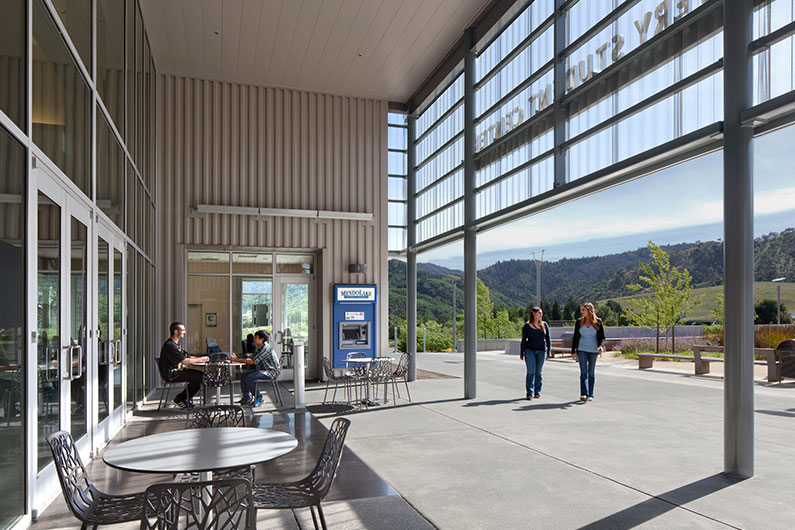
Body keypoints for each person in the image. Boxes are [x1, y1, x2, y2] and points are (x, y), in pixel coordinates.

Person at [158, 322, 209, 408]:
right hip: (172, 374)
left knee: (200, 376)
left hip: (178, 372)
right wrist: (200, 360)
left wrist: (202, 358)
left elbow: (187, 356)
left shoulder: (175, 345)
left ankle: (183, 399)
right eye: (183, 330)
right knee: (201, 377)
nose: (185, 332)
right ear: (176, 332)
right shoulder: (170, 346)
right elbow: (184, 361)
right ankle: (180, 399)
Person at [231, 330, 280, 406]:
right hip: (265, 370)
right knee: (244, 376)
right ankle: (246, 398)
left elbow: (251, 361)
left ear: (262, 339)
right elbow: (250, 357)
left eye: (256, 337)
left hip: (271, 372)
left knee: (250, 378)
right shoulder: (260, 348)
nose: (254, 339)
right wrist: (238, 358)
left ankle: (259, 398)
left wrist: (236, 360)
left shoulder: (266, 349)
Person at [570, 303, 605, 402]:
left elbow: (602, 337)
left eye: (583, 310)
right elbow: (575, 336)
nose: (581, 312)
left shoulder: (598, 322)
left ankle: (591, 394)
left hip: (594, 350)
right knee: (583, 372)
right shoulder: (579, 322)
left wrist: (600, 346)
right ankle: (584, 394)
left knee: (591, 373)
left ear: (589, 310)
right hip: (582, 349)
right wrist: (573, 351)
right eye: (581, 310)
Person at [520, 306, 551, 400]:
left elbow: (548, 339)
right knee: (531, 372)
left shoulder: (544, 325)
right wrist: (522, 353)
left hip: (541, 351)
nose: (541, 314)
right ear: (534, 314)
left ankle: (537, 392)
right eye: (539, 313)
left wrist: (549, 350)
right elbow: (523, 340)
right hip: (530, 350)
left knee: (539, 372)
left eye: (541, 313)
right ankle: (529, 392)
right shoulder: (526, 326)